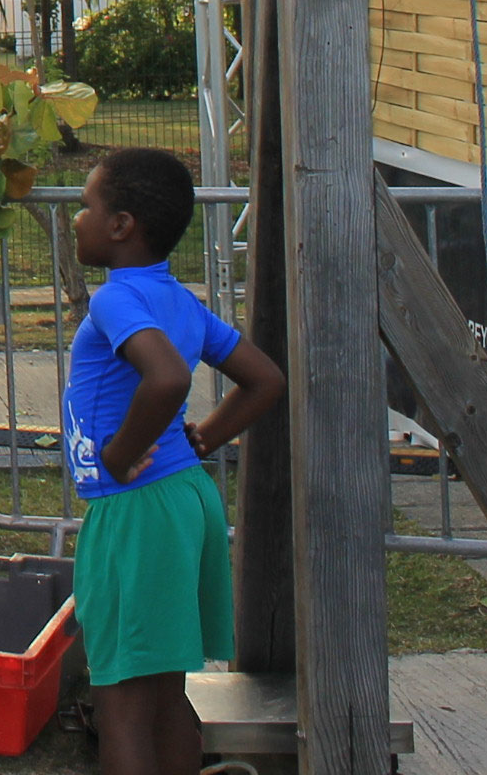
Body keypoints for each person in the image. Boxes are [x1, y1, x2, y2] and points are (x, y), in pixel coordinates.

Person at [62, 148, 287, 775]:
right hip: (185, 500)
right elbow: (264, 379)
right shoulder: (179, 300)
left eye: (86, 207)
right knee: (163, 693)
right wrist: (205, 439)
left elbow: (163, 378)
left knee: (121, 703)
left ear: (121, 225)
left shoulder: (115, 299)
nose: (77, 220)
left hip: (135, 514)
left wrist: (120, 453)